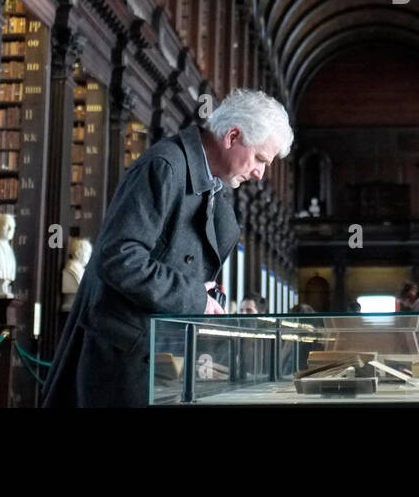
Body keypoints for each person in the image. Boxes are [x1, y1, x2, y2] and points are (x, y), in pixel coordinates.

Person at [41, 88, 293, 407]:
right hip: (123, 363)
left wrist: (206, 295)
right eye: (259, 159)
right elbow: (119, 258)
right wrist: (194, 297)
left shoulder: (215, 186)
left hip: (159, 356)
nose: (260, 173)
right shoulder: (165, 166)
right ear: (232, 136)